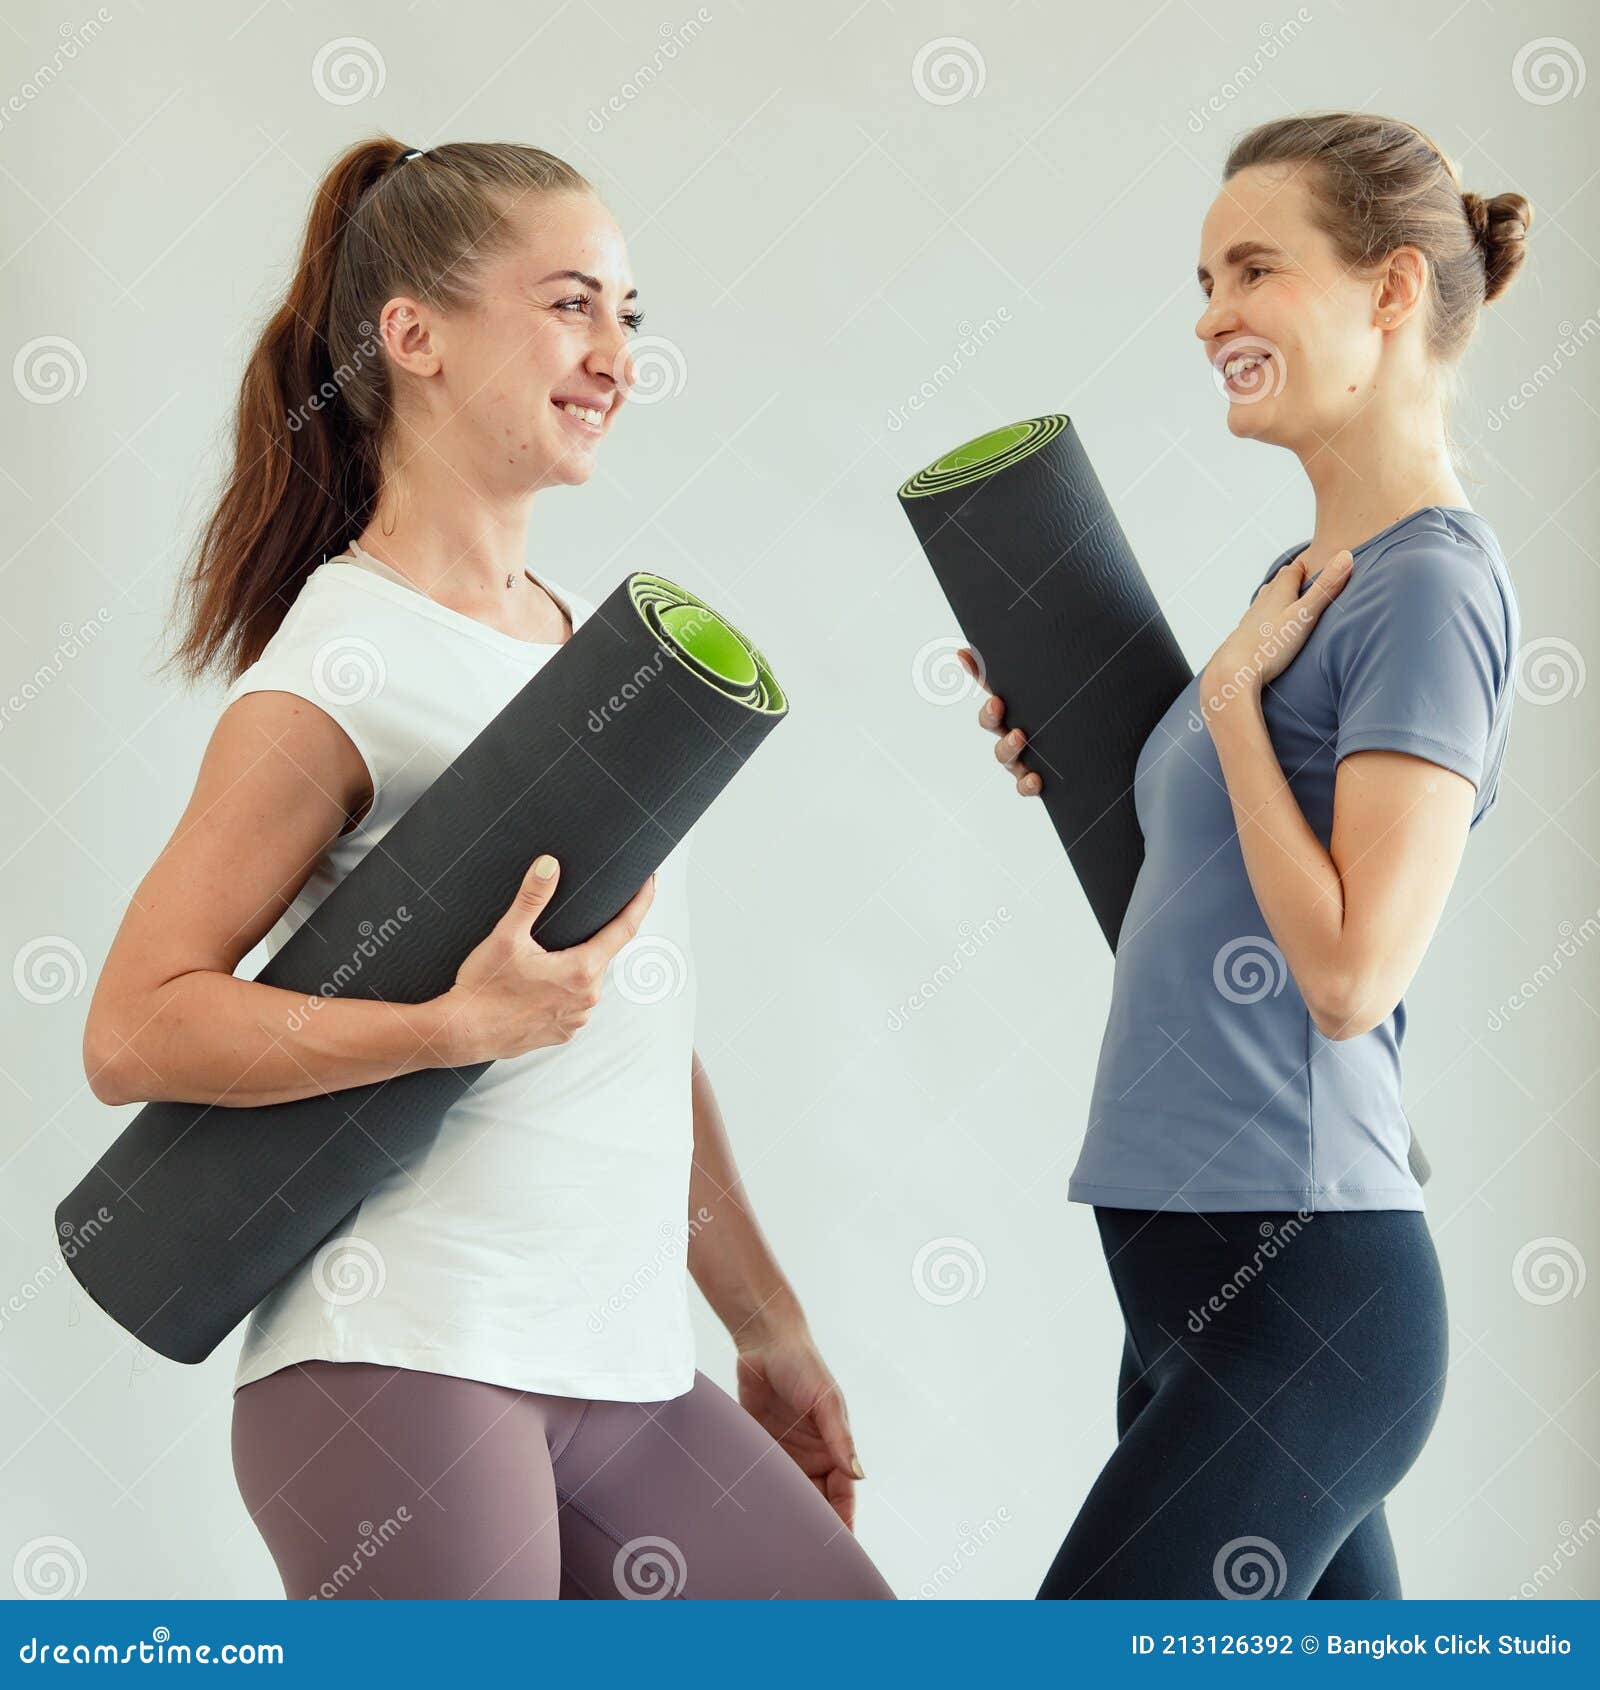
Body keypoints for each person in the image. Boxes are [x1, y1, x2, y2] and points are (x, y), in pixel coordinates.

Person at [81, 136, 892, 1602]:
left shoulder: (582, 645)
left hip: (629, 1373)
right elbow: (135, 1025)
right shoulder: (342, 660)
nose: (616, 355)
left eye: (631, 316)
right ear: (416, 336)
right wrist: (447, 1030)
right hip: (404, 1363)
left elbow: (626, 1032)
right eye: (572, 304)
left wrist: (764, 1323)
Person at [960, 111, 1528, 1599]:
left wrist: (1223, 710)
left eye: (1254, 270)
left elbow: (1346, 974)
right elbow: (1240, 885)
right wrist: (1098, 763)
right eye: (1205, 278)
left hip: (1305, 1277)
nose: (1212, 315)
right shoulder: (1303, 589)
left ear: (1393, 291)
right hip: (1188, 1261)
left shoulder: (1427, 592)